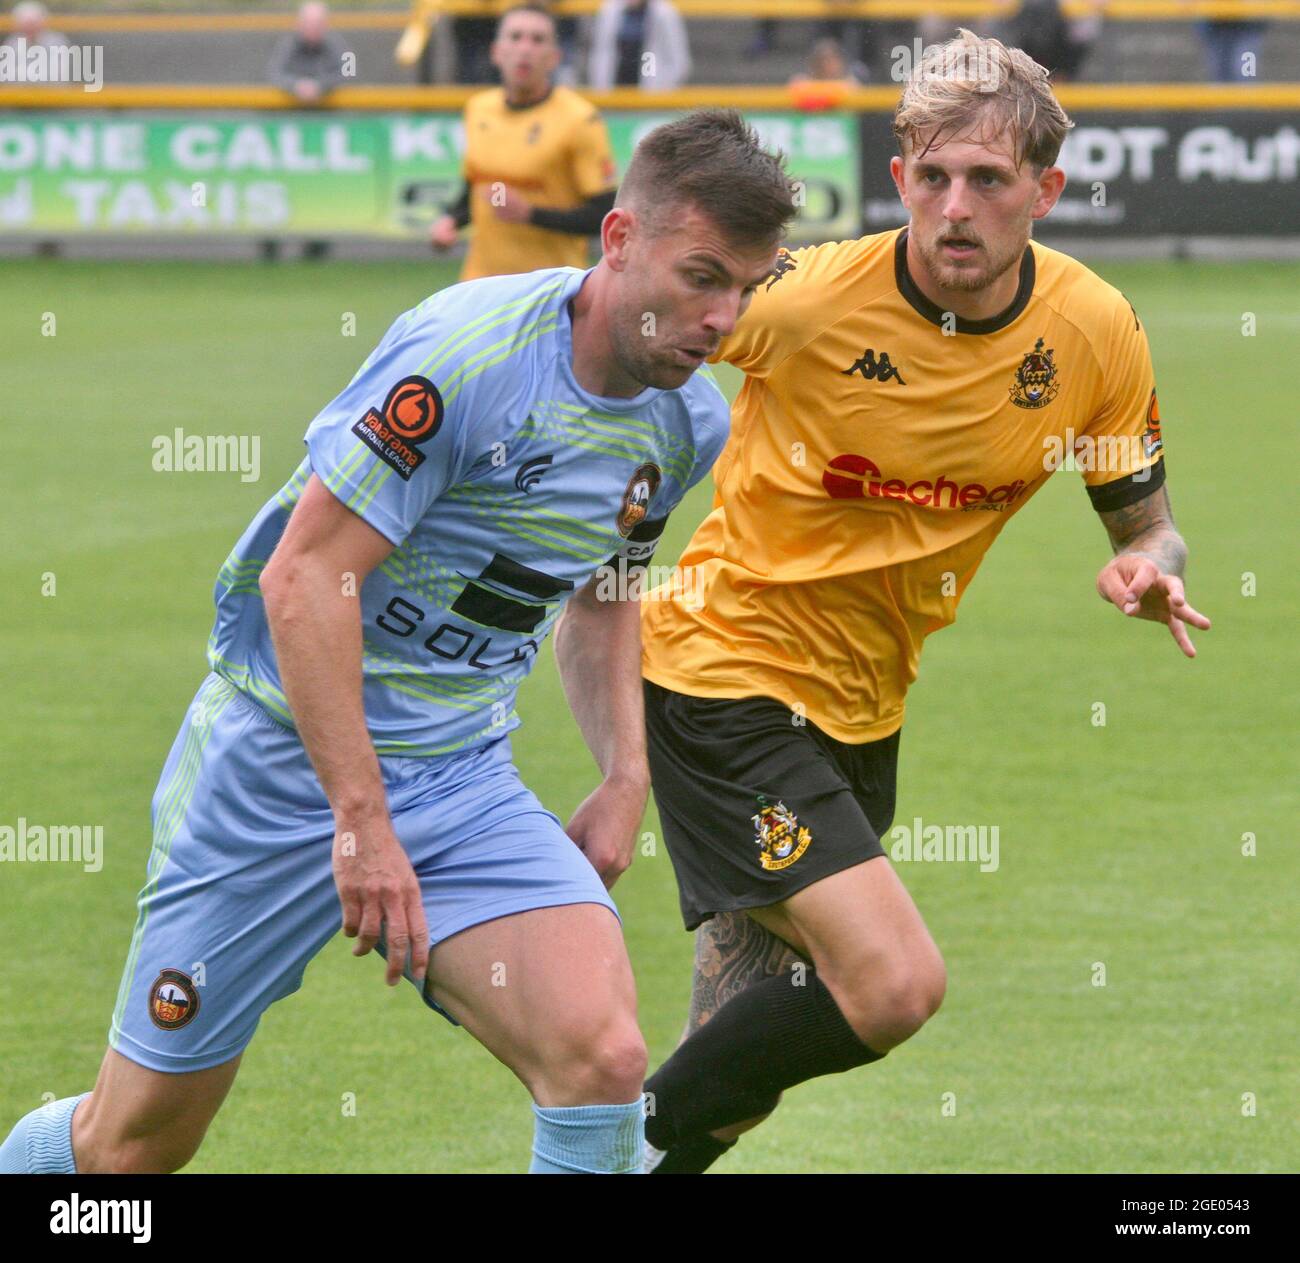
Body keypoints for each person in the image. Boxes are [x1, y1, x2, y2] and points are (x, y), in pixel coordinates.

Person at [0, 109, 797, 1177]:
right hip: (277, 769)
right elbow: (305, 576)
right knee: (127, 1152)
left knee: (601, 1061)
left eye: (747, 287)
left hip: (458, 781)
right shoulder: (466, 361)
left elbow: (604, 594)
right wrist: (360, 827)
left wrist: (622, 774)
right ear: (617, 239)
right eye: (702, 276)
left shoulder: (683, 424)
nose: (721, 317)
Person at [637, 28, 1210, 1173]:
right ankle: (597, 1134)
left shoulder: (1094, 332)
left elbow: (1145, 521)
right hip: (721, 673)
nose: (955, 208)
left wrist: (1152, 567)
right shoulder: (797, 302)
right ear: (899, 179)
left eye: (988, 181)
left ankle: (634, 1152)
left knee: (740, 1059)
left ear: (1042, 191)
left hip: (865, 705)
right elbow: (635, 331)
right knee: (892, 984)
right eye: (932, 178)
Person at [431, 4, 619, 281]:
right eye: (515, 37)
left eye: (538, 39)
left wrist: (531, 214)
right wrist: (452, 221)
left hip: (549, 289)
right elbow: (477, 187)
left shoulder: (580, 119)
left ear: (554, 57)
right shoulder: (478, 109)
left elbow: (604, 214)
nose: (525, 49)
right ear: (496, 51)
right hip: (480, 285)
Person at [588, 0, 691, 92]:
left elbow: (679, 60)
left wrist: (662, 88)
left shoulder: (664, 12)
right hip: (614, 92)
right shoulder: (609, 9)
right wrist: (600, 86)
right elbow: (600, 52)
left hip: (651, 95)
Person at [267, 1, 352, 105]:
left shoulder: (338, 43)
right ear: (299, 24)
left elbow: (350, 72)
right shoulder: (287, 44)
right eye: (309, 23)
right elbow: (274, 73)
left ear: (326, 24)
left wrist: (321, 86)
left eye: (318, 23)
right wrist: (296, 85)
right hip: (293, 112)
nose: (313, 28)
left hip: (332, 112)